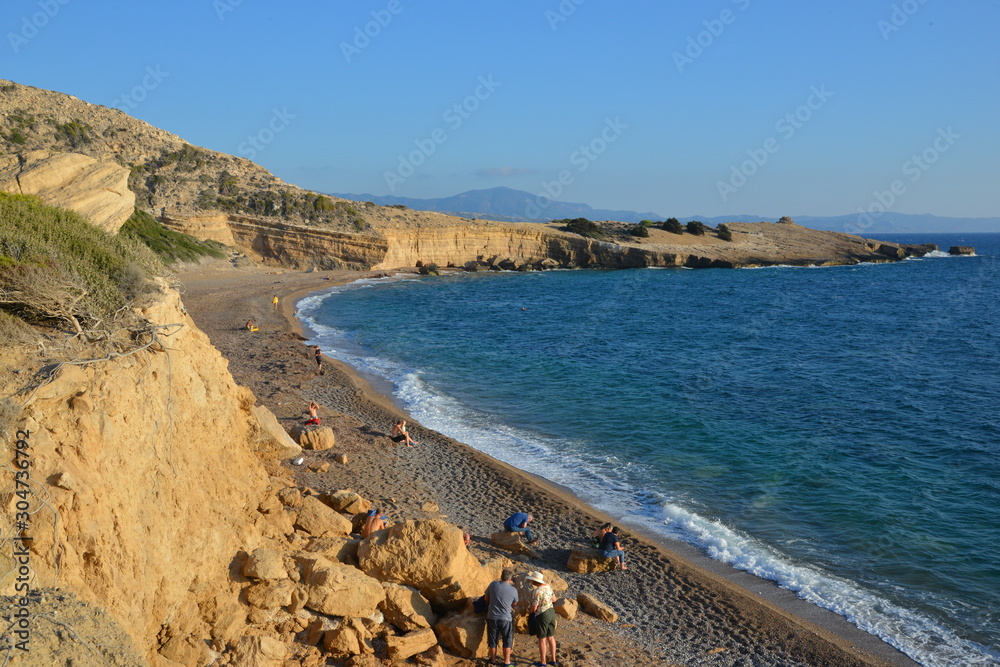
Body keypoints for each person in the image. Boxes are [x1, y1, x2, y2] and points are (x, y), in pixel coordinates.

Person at [484, 568, 519, 667]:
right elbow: (515, 603)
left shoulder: (493, 584)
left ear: (501, 576)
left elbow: (486, 598)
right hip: (505, 618)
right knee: (507, 640)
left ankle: (493, 660)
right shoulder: (513, 590)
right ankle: (507, 662)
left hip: (492, 617)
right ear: (510, 578)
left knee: (492, 640)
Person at [527, 571, 557, 666]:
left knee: (542, 639)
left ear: (535, 581)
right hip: (552, 612)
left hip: (542, 614)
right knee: (551, 637)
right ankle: (553, 659)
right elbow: (554, 599)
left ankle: (543, 662)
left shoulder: (537, 591)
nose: (531, 581)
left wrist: (529, 612)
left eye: (532, 580)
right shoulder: (548, 586)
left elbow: (534, 608)